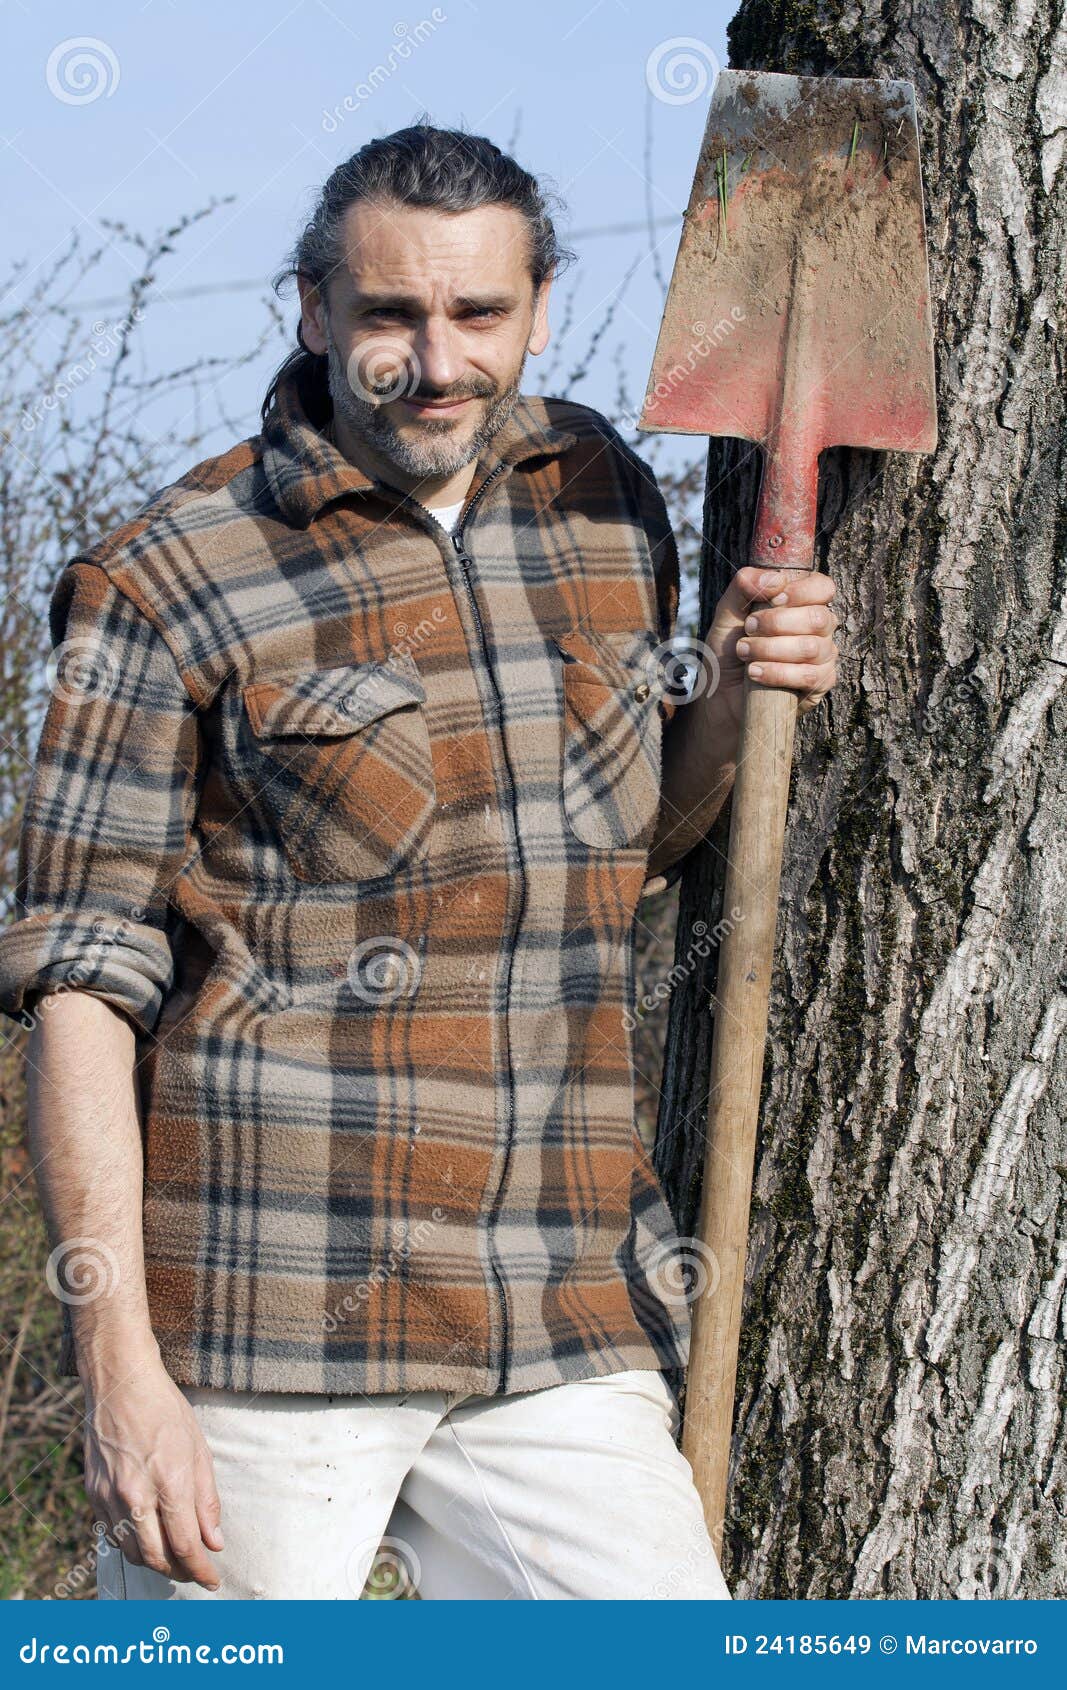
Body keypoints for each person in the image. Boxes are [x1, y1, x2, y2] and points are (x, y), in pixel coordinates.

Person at [0, 123, 838, 1600]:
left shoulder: (603, 503)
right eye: (390, 315)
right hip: (267, 1329)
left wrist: (729, 690)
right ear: (315, 311)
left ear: (541, 307)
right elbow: (81, 985)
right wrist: (119, 1365)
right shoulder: (165, 574)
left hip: (563, 1303)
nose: (436, 361)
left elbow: (643, 848)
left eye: (478, 315)